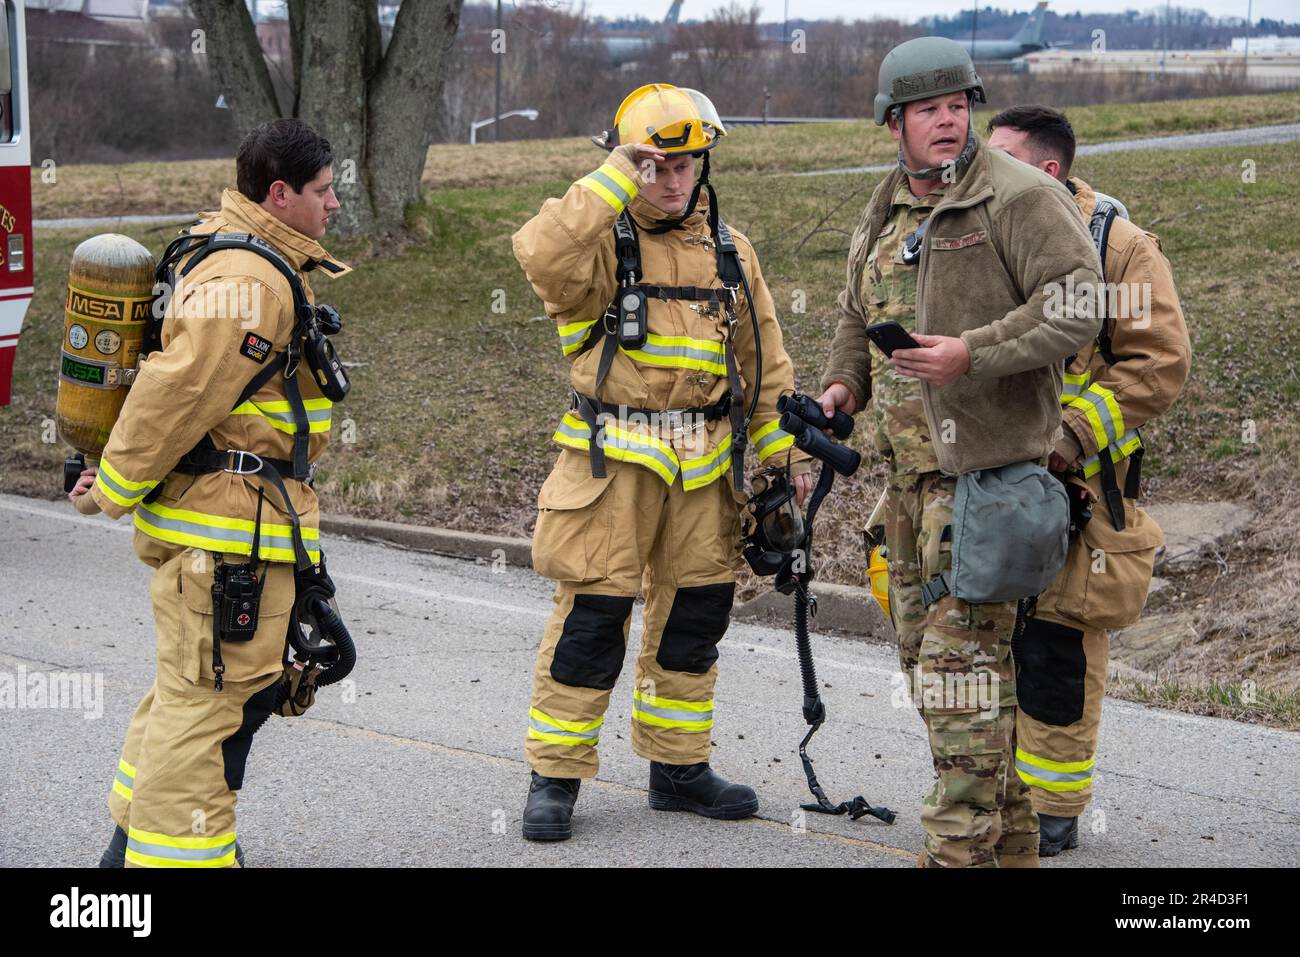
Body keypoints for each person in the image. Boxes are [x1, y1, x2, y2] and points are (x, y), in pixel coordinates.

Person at [817, 38, 1104, 867]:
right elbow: (852, 315)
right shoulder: (886, 206)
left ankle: (954, 856)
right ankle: (1009, 850)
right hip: (906, 495)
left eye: (958, 106)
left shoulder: (1015, 196)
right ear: (893, 122)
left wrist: (971, 351)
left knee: (959, 696)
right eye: (928, 110)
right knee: (944, 688)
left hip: (987, 490)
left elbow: (1080, 304)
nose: (947, 122)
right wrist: (842, 390)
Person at [511, 83, 811, 841]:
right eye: (656, 165)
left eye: (685, 164)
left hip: (707, 472)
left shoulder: (731, 254)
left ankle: (677, 768)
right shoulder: (598, 246)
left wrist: (778, 468)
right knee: (591, 621)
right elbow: (538, 251)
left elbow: (765, 369)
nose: (672, 180)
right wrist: (617, 175)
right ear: (627, 164)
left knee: (694, 620)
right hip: (610, 465)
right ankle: (556, 775)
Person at [69, 118, 350, 867]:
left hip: (226, 530)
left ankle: (124, 849)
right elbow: (177, 391)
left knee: (185, 698)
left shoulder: (233, 246)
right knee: (209, 714)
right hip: (230, 537)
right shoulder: (250, 283)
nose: (335, 206)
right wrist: (112, 489)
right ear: (280, 193)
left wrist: (117, 483)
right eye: (324, 192)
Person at [986, 104, 1191, 856]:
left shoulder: (1121, 250)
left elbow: (1160, 362)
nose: (980, 172)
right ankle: (983, 791)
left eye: (999, 159)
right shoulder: (981, 232)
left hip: (1078, 498)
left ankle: (1052, 808)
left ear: (1046, 171)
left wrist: (1071, 435)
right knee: (976, 643)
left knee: (1056, 649)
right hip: (984, 483)